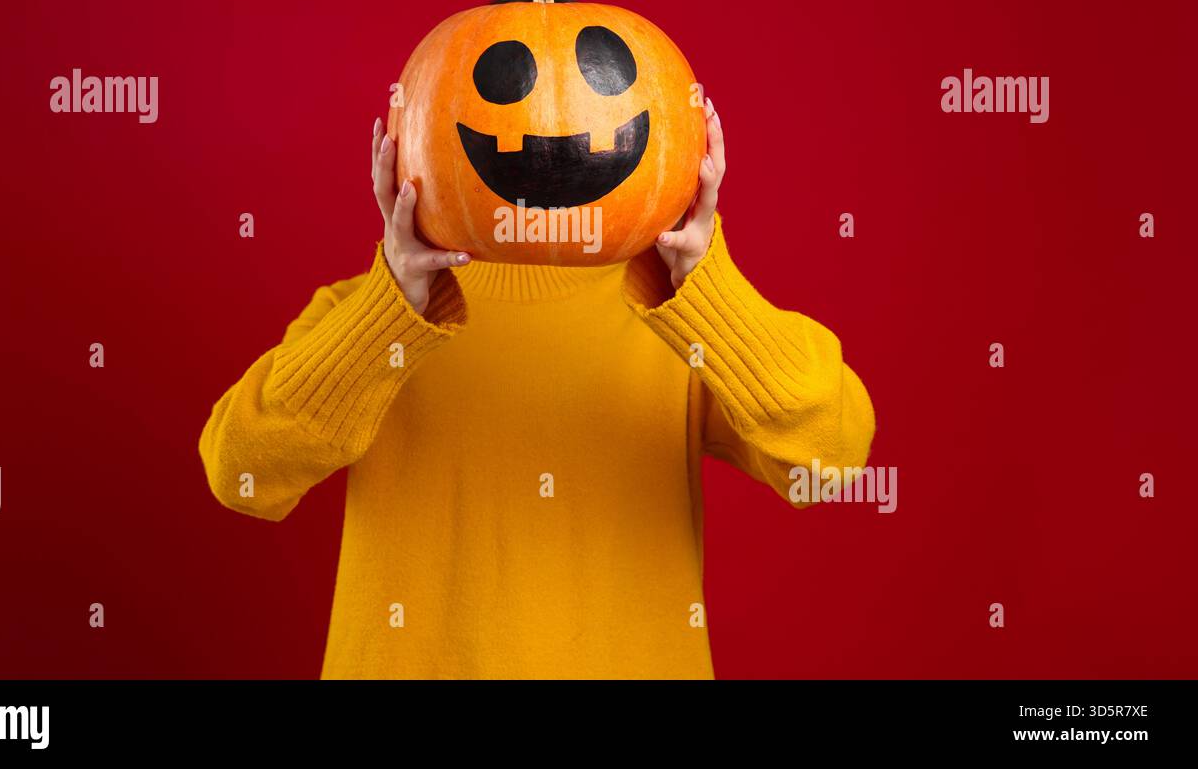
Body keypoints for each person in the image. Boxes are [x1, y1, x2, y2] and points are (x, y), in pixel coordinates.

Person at [198, 62, 876, 680]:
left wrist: (707, 283)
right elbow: (240, 471)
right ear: (399, 146)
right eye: (502, 79)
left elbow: (830, 457)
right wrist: (390, 305)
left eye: (577, 93)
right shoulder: (363, 316)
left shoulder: (680, 316)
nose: (546, 125)